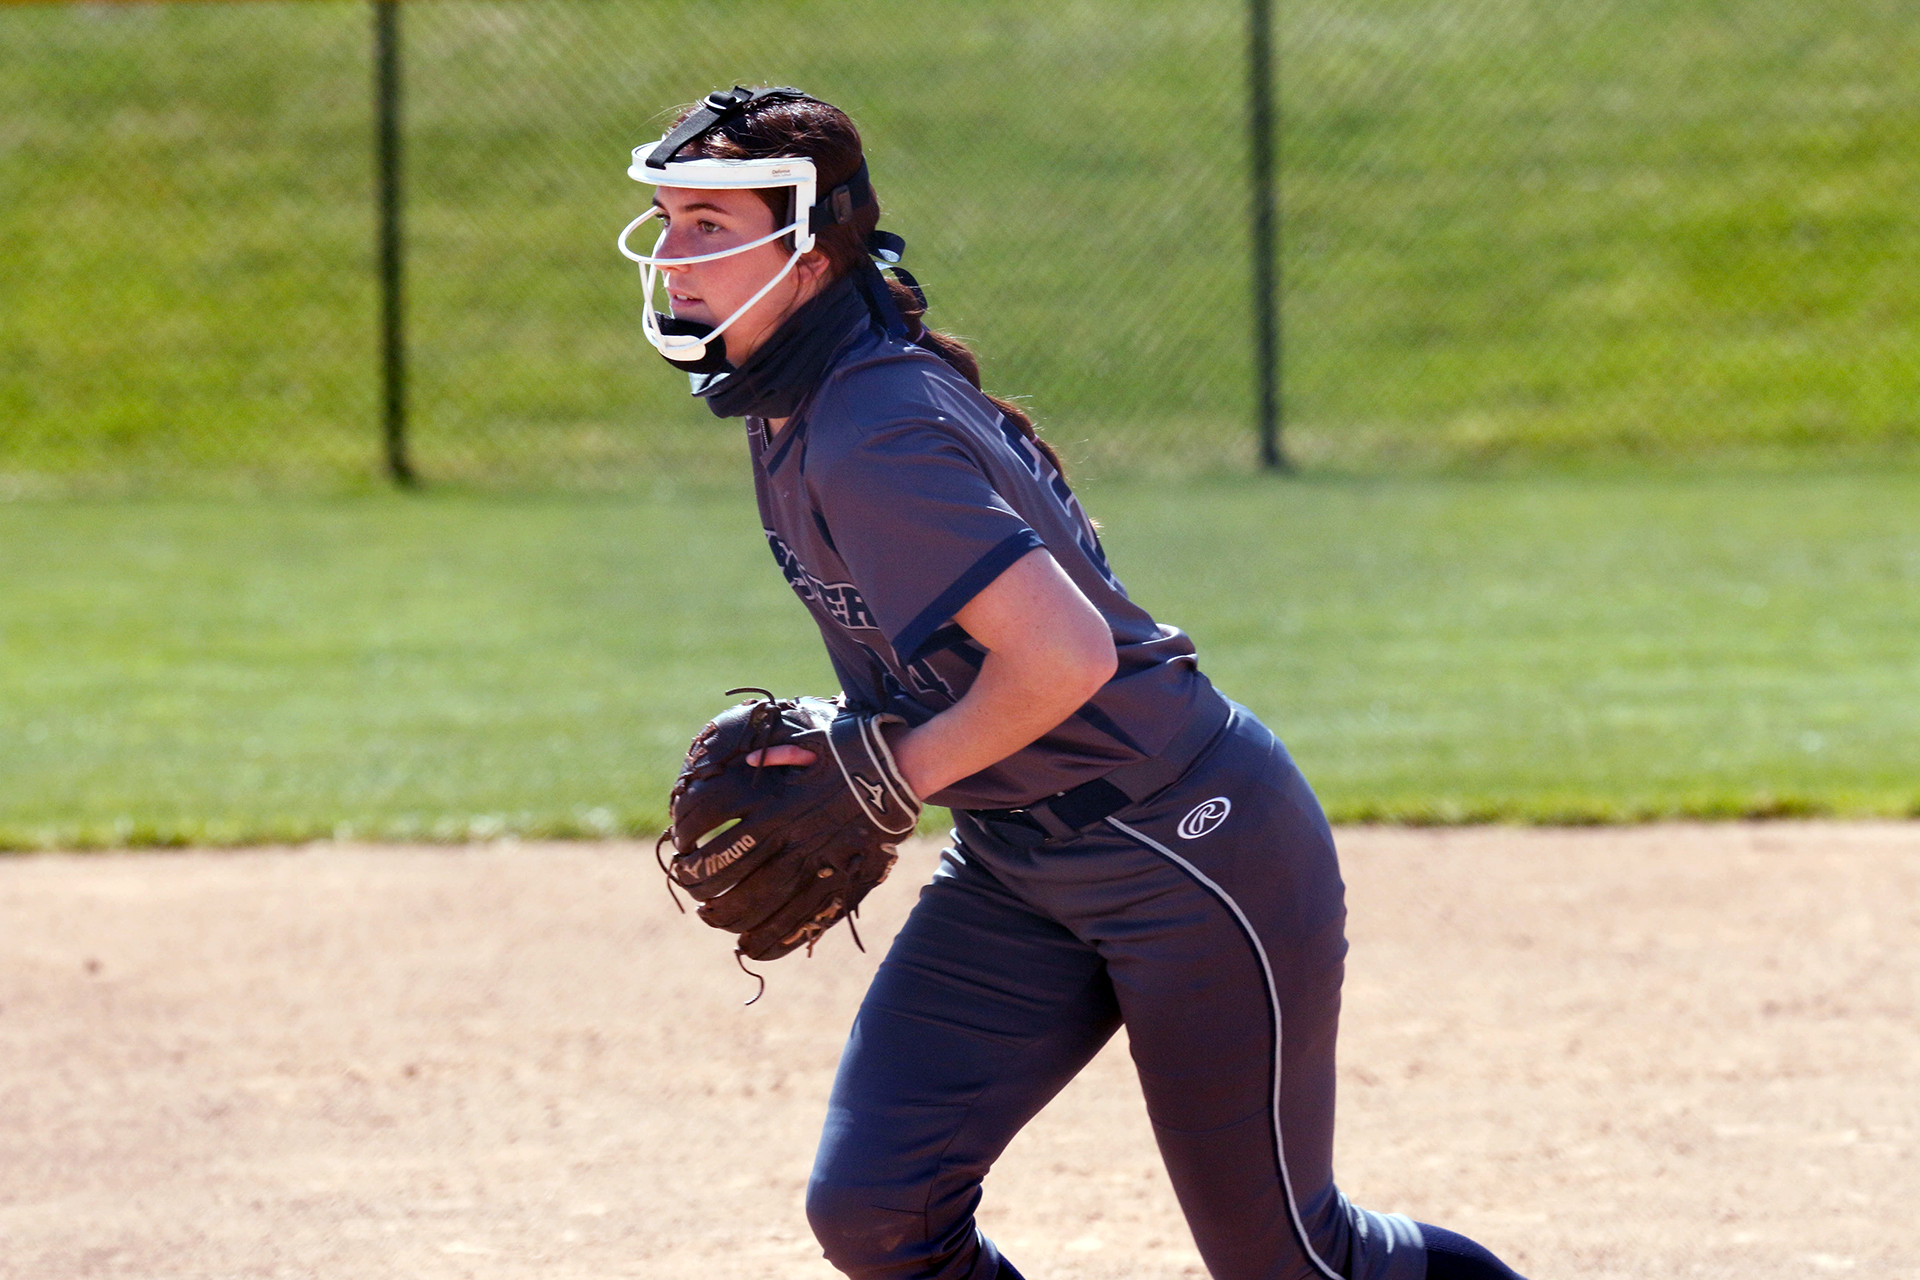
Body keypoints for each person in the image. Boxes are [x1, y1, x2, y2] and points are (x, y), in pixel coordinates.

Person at [618, 86, 1530, 1280]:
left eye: (711, 225)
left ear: (813, 248)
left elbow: (1068, 656)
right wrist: (858, 743)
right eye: (668, 222)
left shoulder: (868, 426)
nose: (675, 255)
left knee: (1291, 1257)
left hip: (1185, 845)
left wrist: (889, 773)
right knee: (879, 1210)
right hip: (1017, 858)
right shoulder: (803, 401)